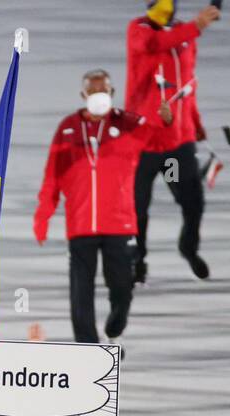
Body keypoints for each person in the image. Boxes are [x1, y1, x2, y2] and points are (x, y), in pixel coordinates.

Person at [35, 69, 161, 348]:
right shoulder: (67, 128)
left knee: (122, 287)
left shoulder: (128, 124)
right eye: (92, 91)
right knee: (81, 291)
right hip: (81, 224)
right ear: (83, 95)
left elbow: (159, 139)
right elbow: (52, 175)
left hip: (119, 223)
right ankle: (88, 349)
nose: (98, 95)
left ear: (112, 93)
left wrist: (164, 115)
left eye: (103, 90)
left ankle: (115, 329)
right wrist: (43, 216)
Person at [125, 0, 222, 284]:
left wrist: (195, 123)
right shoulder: (139, 30)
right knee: (138, 207)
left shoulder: (185, 35)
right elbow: (154, 44)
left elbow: (187, 85)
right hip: (143, 146)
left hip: (173, 149)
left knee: (191, 201)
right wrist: (197, 26)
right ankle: (136, 259)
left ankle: (188, 248)